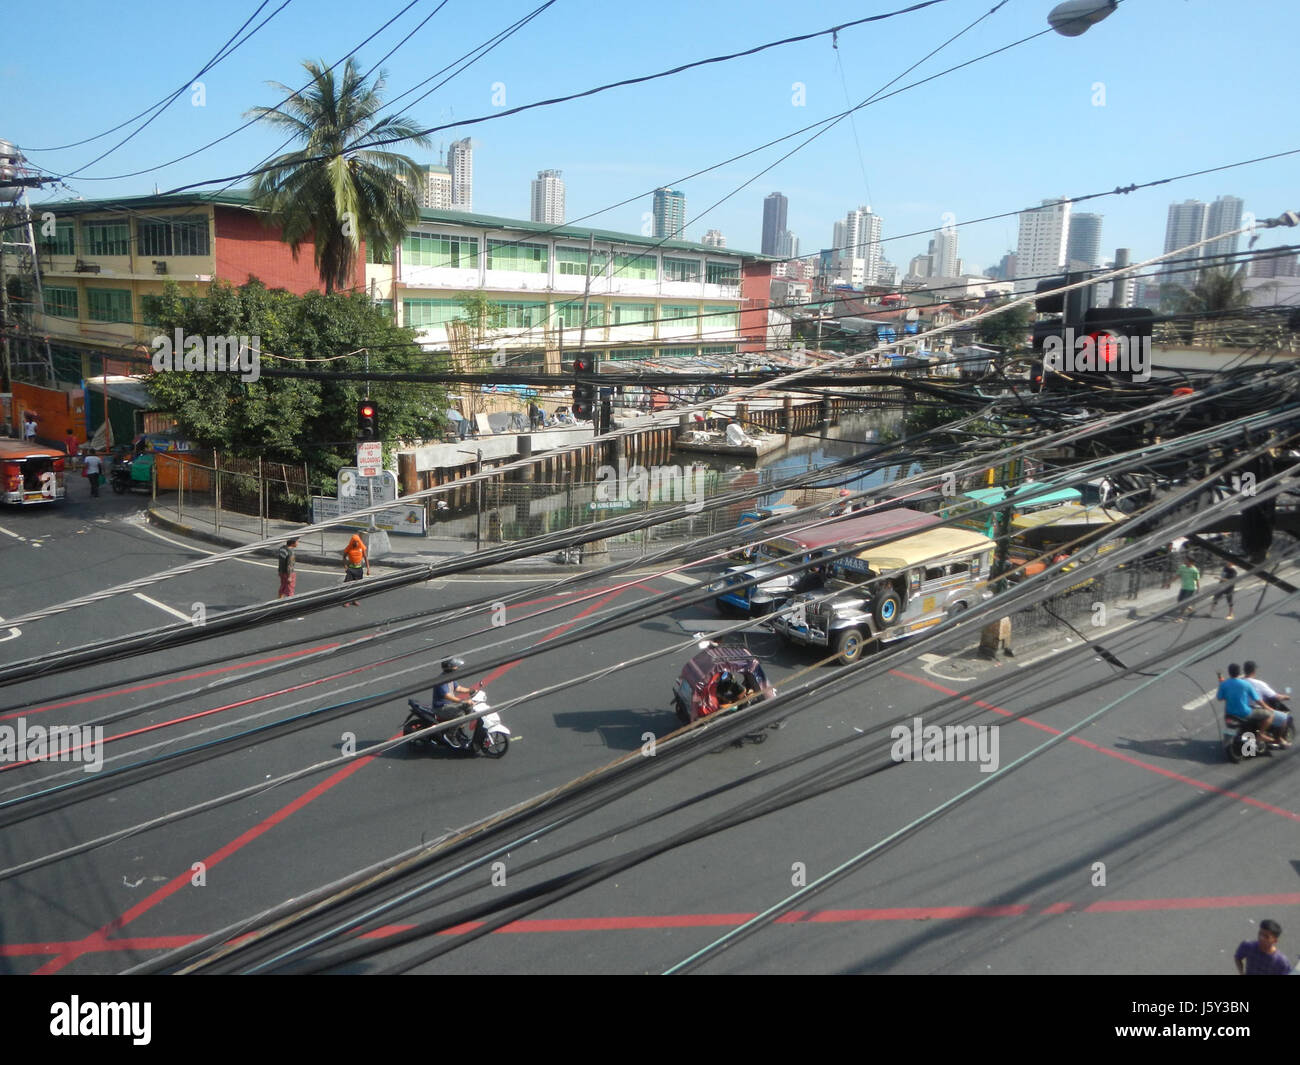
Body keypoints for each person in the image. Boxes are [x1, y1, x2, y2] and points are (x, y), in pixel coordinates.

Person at [1217, 663, 1288, 747]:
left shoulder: (1224, 684)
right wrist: (1268, 708)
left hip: (1229, 713)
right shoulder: (1246, 684)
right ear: (1239, 673)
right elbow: (1257, 699)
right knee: (1270, 715)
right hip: (1245, 713)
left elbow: (1220, 698)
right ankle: (1260, 735)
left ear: (1229, 673)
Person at [433, 657, 479, 748]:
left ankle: (459, 728)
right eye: (455, 667)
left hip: (450, 705)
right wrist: (463, 701)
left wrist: (471, 691)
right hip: (441, 708)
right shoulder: (441, 680)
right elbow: (447, 696)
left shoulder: (450, 677)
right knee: (460, 715)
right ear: (450, 668)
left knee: (469, 707)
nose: (457, 668)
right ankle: (450, 735)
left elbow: (458, 688)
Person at [340, 533, 369, 606]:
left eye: (357, 542)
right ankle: (347, 601)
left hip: (359, 569)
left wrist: (368, 568)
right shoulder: (349, 547)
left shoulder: (361, 547)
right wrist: (345, 566)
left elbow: (365, 558)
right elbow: (344, 557)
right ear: (352, 541)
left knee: (357, 585)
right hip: (351, 569)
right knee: (348, 585)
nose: (356, 543)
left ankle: (354, 600)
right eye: (354, 542)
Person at [1174, 555, 1200, 620]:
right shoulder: (1182, 567)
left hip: (1190, 588)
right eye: (1185, 560)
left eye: (1186, 560)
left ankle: (1180, 617)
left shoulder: (1194, 570)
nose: (1185, 561)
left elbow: (1197, 580)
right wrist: (1169, 582)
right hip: (1183, 587)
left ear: (1191, 562)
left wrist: (1198, 589)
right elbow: (1178, 575)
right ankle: (1189, 607)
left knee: (1184, 602)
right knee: (1179, 600)